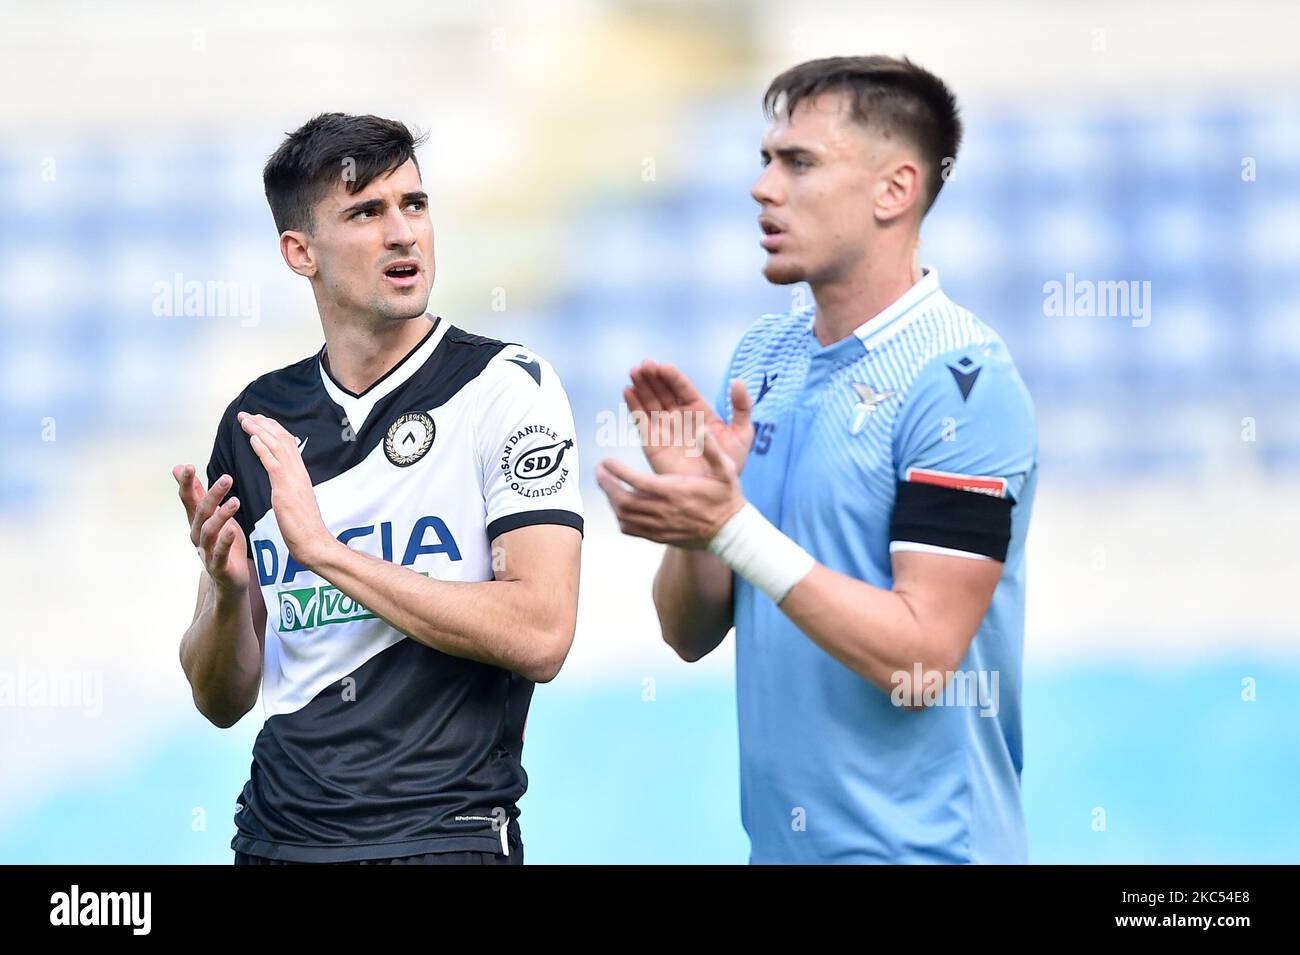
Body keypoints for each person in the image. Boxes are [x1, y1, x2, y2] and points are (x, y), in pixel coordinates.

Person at [597, 56, 1037, 863]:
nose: (764, 188)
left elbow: (924, 656)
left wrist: (731, 529)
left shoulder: (963, 381)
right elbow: (686, 633)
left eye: (798, 163)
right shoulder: (765, 355)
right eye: (765, 160)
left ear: (894, 189)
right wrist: (696, 523)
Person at [173, 113, 583, 864]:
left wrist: (325, 553)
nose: (404, 233)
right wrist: (230, 596)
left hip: (443, 837)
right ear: (301, 252)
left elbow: (542, 631)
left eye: (414, 205)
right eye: (367, 212)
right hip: (276, 841)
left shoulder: (506, 388)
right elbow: (221, 699)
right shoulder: (257, 421)